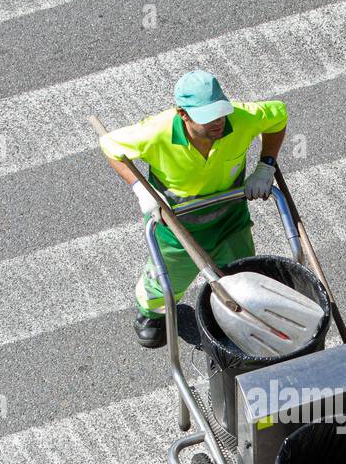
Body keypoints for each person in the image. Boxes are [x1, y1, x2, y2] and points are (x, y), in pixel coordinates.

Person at [99, 70, 288, 348]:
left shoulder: (242, 117)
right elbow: (111, 146)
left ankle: (233, 318)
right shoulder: (156, 132)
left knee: (240, 278)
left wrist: (266, 165)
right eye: (208, 118)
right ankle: (152, 314)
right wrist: (139, 189)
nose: (218, 123)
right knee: (166, 282)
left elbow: (278, 117)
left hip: (229, 219)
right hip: (177, 226)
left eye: (221, 113)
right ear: (183, 115)